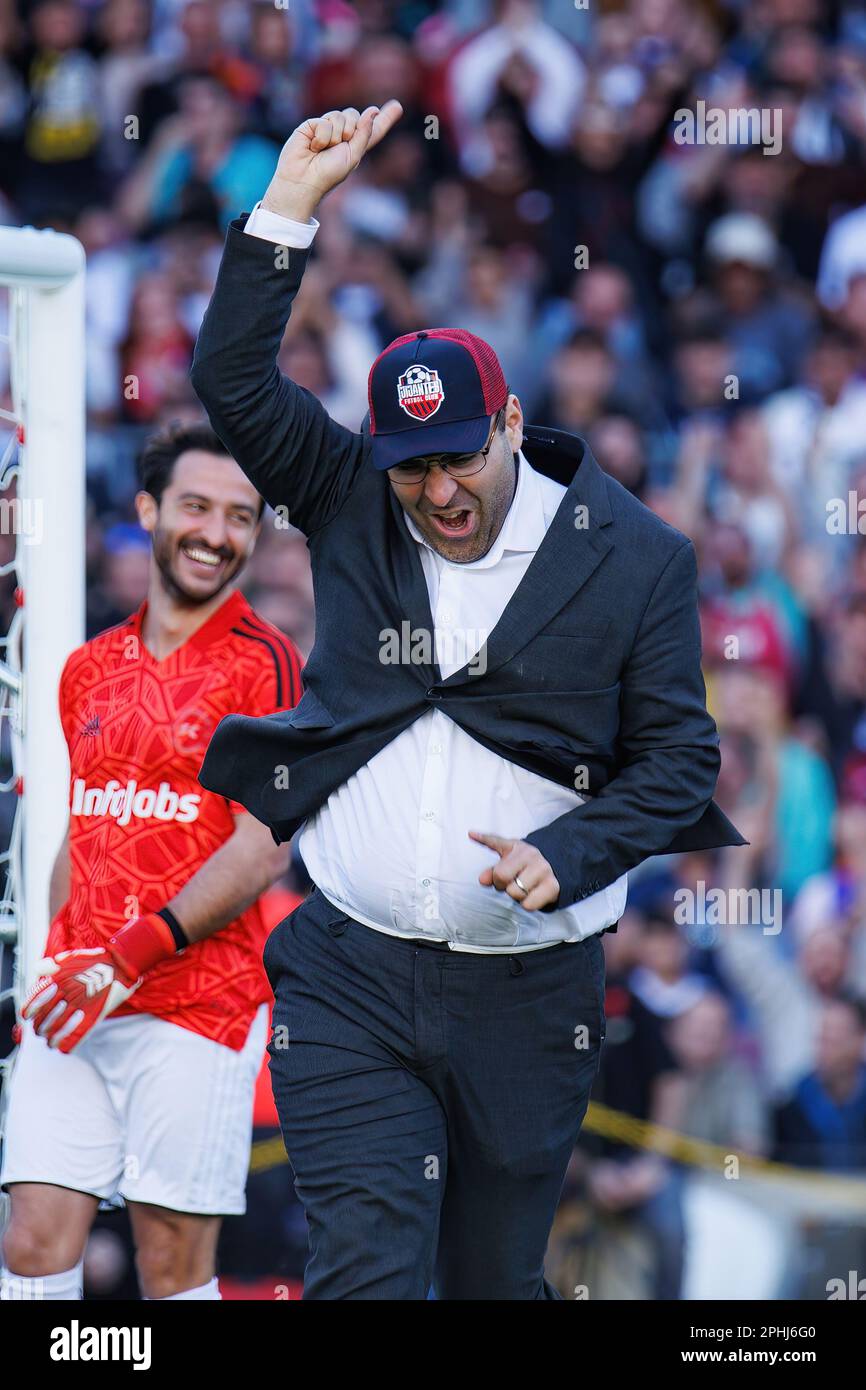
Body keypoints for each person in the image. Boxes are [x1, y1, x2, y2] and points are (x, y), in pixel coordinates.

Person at [191, 102, 743, 1301]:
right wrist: (287, 204)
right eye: (411, 467)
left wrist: (571, 850)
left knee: (494, 1281)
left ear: (506, 423)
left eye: (458, 460)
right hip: (347, 974)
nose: (437, 491)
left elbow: (679, 760)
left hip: (530, 993)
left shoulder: (634, 554)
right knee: (367, 1272)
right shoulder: (346, 492)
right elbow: (230, 378)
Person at [0, 423, 303, 1302]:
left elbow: (263, 847)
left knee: (169, 1265)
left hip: (194, 1004)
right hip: (80, 994)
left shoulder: (268, 665)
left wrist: (129, 955)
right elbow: (81, 832)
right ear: (148, 512)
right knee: (31, 1244)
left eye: (240, 518)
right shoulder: (87, 669)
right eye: (198, 507)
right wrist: (66, 955)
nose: (217, 533)